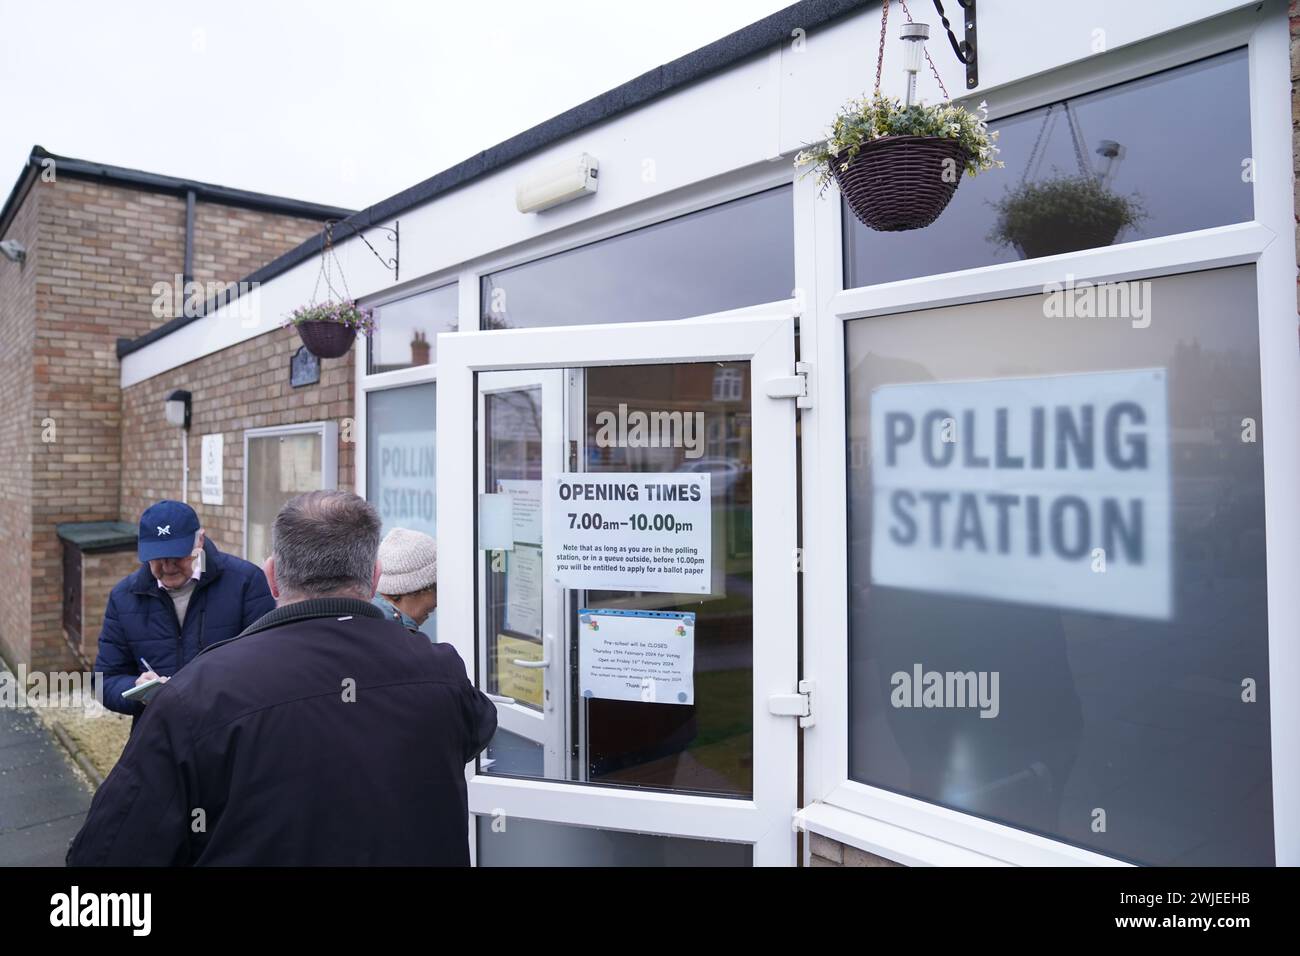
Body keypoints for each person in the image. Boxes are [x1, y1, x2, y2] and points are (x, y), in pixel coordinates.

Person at [67, 490, 498, 866]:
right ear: (374, 579)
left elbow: (104, 856)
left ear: (271, 576)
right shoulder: (442, 671)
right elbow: (476, 726)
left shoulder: (194, 700)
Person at [95, 500, 275, 718]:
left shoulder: (246, 582)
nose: (168, 566)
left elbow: (267, 668)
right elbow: (104, 682)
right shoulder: (124, 597)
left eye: (177, 555)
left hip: (228, 731)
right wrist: (137, 686)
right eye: (158, 558)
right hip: (160, 734)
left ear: (199, 540)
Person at [372, 527, 437, 638]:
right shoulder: (395, 642)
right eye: (436, 588)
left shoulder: (368, 627)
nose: (437, 603)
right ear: (415, 588)